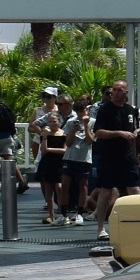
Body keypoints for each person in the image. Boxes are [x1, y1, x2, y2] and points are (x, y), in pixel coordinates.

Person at [88, 79, 138, 239]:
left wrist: (135, 138)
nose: (115, 93)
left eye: (119, 90)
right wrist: (118, 133)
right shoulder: (105, 110)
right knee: (105, 192)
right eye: (113, 90)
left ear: (126, 93)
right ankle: (101, 229)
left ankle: (136, 224)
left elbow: (133, 130)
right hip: (109, 157)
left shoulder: (131, 110)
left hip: (128, 157)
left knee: (135, 191)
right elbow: (99, 133)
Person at [33, 90, 69, 226]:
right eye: (50, 121)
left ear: (59, 122)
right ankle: (51, 214)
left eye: (54, 121)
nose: (52, 123)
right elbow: (43, 150)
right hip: (47, 162)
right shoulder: (45, 134)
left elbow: (64, 150)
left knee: (59, 187)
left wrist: (50, 150)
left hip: (59, 163)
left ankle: (62, 213)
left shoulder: (63, 134)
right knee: (48, 188)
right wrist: (45, 136)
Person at [61, 99, 92, 226]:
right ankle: (63, 214)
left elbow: (90, 141)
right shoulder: (70, 122)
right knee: (65, 184)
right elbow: (67, 143)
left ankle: (80, 212)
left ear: (87, 110)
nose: (80, 114)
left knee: (83, 185)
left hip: (84, 158)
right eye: (78, 111)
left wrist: (85, 125)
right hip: (70, 157)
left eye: (83, 111)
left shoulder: (93, 122)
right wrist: (73, 131)